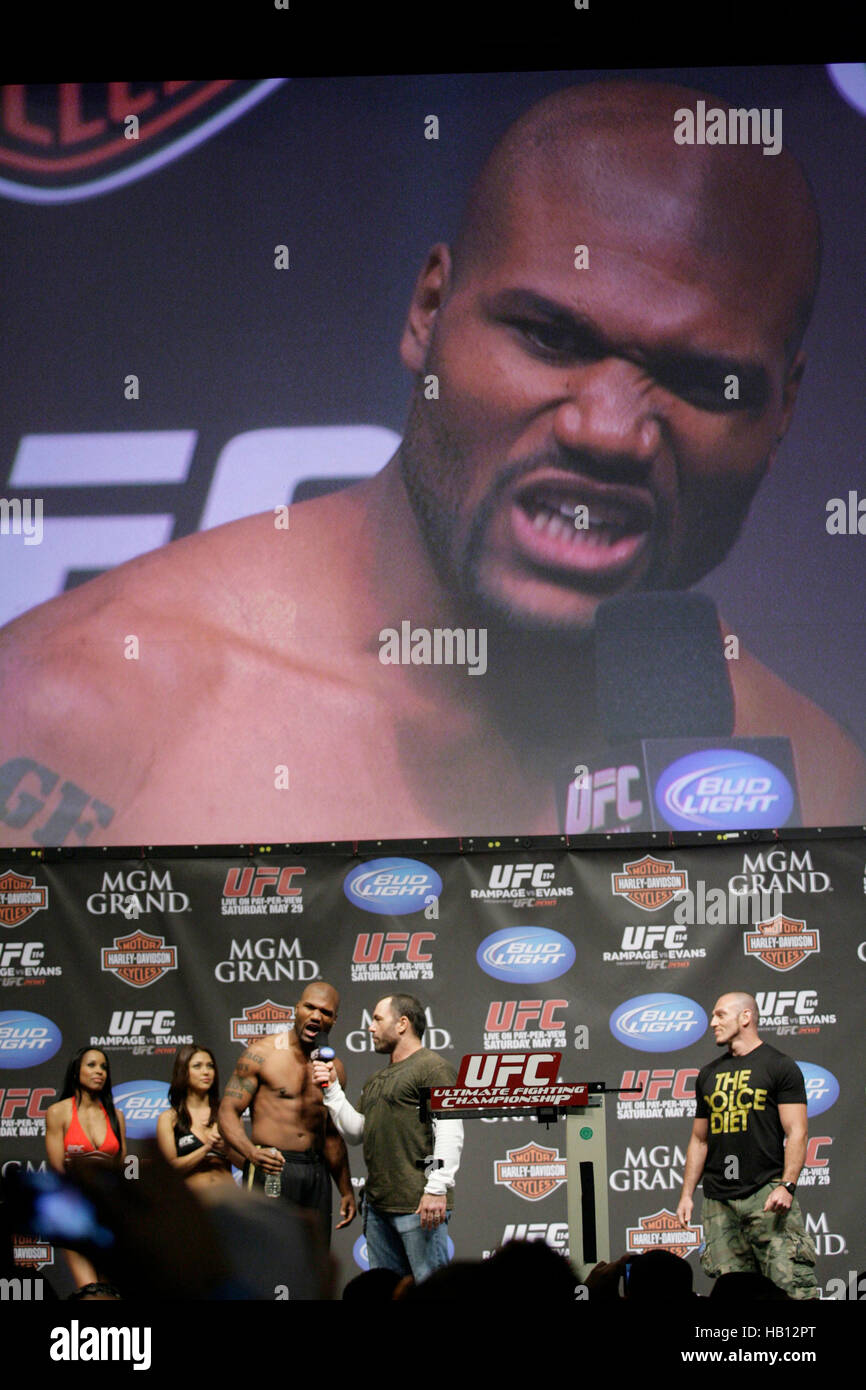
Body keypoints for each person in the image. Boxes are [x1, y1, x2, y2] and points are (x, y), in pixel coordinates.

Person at [2, 80, 865, 847]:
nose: (609, 431)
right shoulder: (77, 718)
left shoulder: (813, 784)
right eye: (551, 336)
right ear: (427, 311)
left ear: (782, 408)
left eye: (698, 379)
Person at [676, 991, 818, 1300]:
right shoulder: (708, 1074)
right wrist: (687, 1194)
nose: (713, 1022)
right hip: (719, 1201)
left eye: (720, 1015)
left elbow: (797, 1131)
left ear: (745, 1017)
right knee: (733, 1295)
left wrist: (788, 1185)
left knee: (790, 1288)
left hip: (765, 1193)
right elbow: (700, 1138)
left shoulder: (779, 1066)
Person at [312, 993, 463, 1283]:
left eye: (378, 1019)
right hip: (378, 1208)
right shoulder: (377, 1079)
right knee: (387, 1293)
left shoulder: (432, 1067)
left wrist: (438, 1188)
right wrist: (331, 1090)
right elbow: (357, 1133)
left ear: (403, 1023)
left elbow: (449, 1128)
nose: (370, 1027)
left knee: (430, 1291)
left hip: (418, 1205)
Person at [217, 980, 355, 1247]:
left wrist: (346, 1189)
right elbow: (228, 1111)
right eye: (310, 1007)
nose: (316, 1015)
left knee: (313, 1259)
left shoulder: (334, 1068)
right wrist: (251, 1152)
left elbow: (331, 1135)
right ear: (296, 1009)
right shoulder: (262, 1054)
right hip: (272, 1165)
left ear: (334, 1020)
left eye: (325, 1012)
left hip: (315, 1171)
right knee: (267, 1255)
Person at [44, 1046, 127, 1289]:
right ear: (75, 1071)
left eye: (103, 1067)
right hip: (77, 1211)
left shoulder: (116, 1115)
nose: (99, 1071)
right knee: (90, 1290)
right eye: (91, 1065)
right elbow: (58, 1168)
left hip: (111, 1213)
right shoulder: (57, 1112)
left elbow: (121, 1168)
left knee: (111, 1291)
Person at [156, 1044, 242, 1192]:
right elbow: (169, 1169)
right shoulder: (169, 1118)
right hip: (192, 1205)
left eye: (210, 1066)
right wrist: (207, 1147)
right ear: (183, 1072)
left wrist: (226, 1149)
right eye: (197, 1066)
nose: (206, 1072)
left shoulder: (227, 1114)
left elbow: (246, 1164)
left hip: (228, 1201)